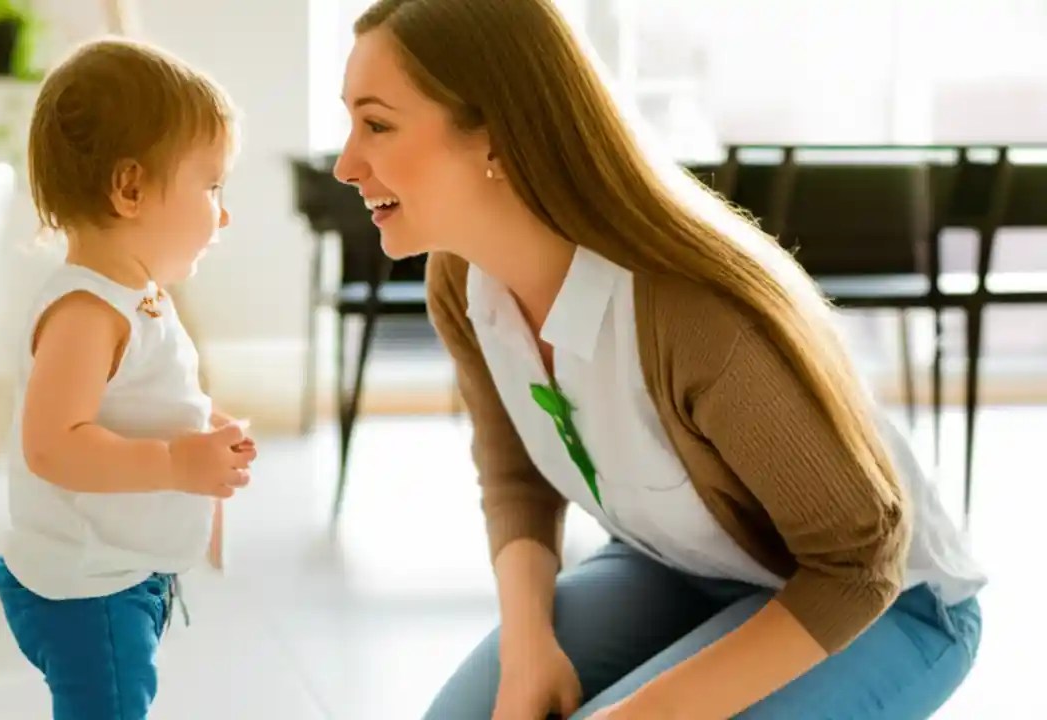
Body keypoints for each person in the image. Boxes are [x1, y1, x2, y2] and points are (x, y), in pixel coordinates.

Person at [333, 1, 986, 718]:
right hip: (684, 568)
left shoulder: (692, 316)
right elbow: (515, 466)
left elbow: (859, 563)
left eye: (377, 125)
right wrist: (527, 650)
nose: (345, 163)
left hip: (887, 603)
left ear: (497, 135)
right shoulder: (461, 280)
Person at [0, 37, 257, 719]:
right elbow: (52, 444)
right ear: (131, 187)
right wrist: (173, 462)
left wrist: (201, 428)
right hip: (88, 588)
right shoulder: (85, 313)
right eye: (211, 185)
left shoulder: (131, 297)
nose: (222, 213)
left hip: (117, 576)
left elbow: (139, 398)